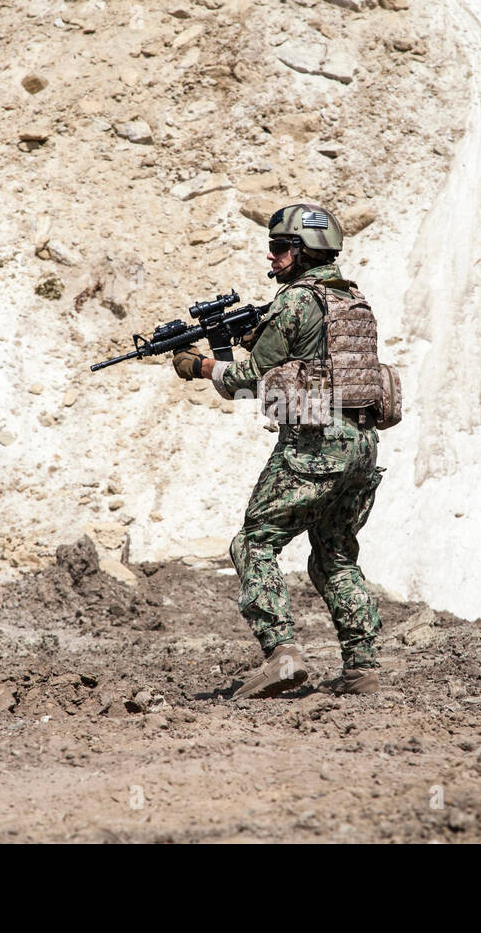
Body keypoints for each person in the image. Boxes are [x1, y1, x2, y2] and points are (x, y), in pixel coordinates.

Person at [172, 203, 386, 697]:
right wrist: (247, 338)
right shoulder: (351, 301)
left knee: (253, 543)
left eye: (279, 247)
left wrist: (202, 367)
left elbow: (247, 382)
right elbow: (311, 362)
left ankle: (282, 653)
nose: (271, 258)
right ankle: (362, 666)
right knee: (333, 555)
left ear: (304, 250)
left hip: (316, 446)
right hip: (360, 444)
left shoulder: (293, 302)